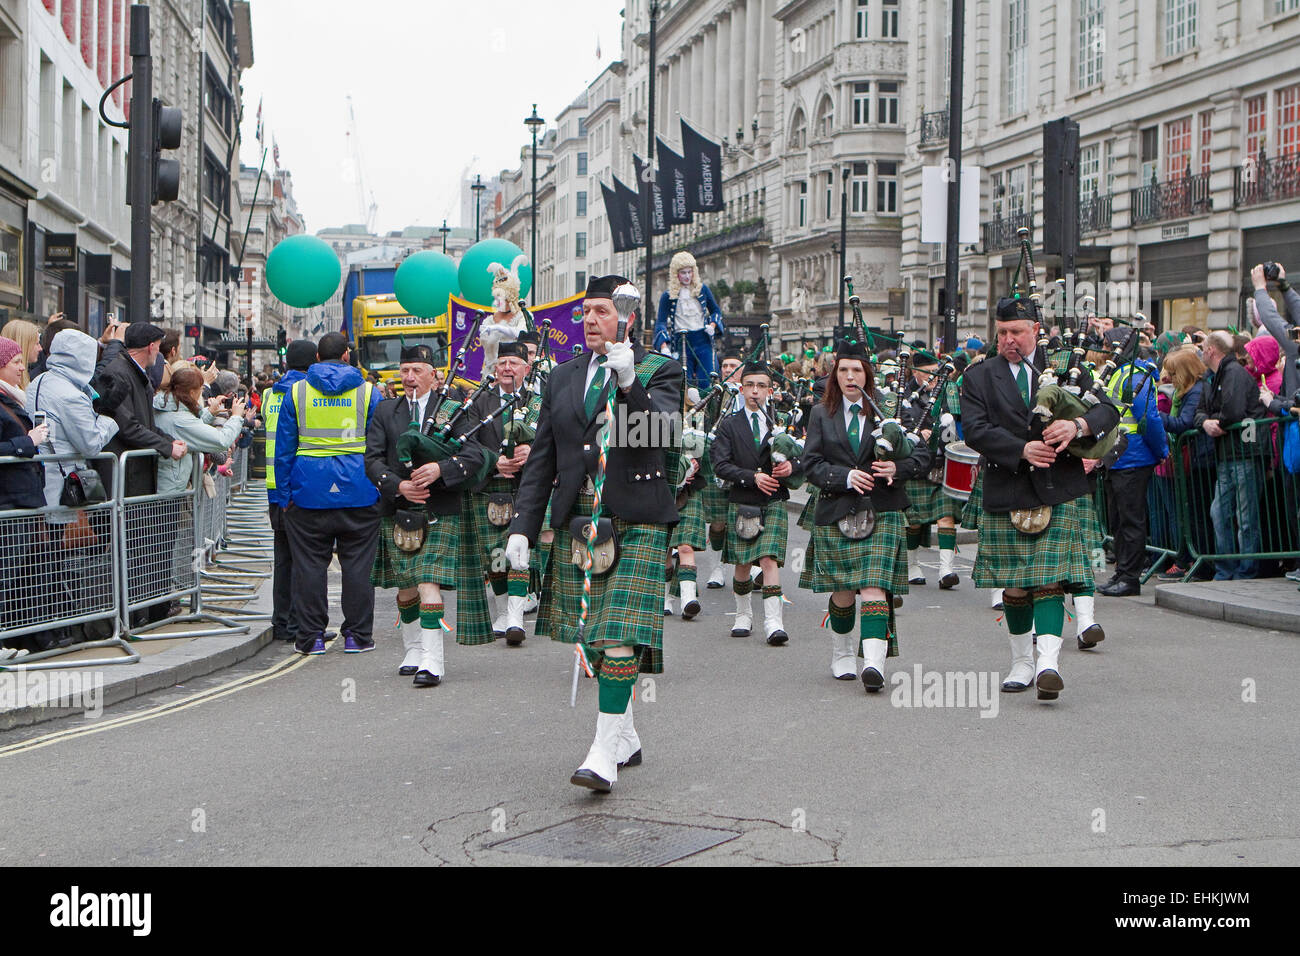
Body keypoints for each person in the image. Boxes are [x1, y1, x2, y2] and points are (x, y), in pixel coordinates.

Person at [504, 275, 684, 794]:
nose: (589, 320)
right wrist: (523, 525)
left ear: (627, 319)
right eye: (586, 312)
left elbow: (662, 436)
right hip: (580, 516)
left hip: (639, 515)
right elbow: (542, 458)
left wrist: (630, 387)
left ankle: (602, 751)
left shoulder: (659, 370)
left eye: (602, 311)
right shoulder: (562, 376)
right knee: (595, 642)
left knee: (618, 634)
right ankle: (624, 734)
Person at [962, 296, 1119, 701]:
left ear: (1035, 330)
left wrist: (1077, 425)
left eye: (1016, 332)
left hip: (1057, 485)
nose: (1008, 340)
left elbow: (1108, 412)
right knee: (1014, 585)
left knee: (1049, 581)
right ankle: (1021, 662)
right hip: (1008, 484)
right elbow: (975, 430)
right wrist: (1021, 450)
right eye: (1001, 333)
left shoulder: (1065, 368)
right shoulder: (980, 376)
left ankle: (1048, 662)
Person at [801, 338, 932, 687]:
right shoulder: (820, 414)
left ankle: (873, 664)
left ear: (867, 374)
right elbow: (810, 464)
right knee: (843, 590)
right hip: (837, 507)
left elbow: (922, 456)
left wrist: (896, 470)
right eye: (843, 369)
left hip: (882, 507)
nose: (849, 376)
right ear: (835, 375)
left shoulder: (891, 409)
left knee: (874, 586)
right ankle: (842, 652)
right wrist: (844, 476)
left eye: (856, 369)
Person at [368, 344, 488, 686]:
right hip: (399, 507)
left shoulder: (454, 409)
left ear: (434, 376)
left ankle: (433, 661)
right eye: (404, 371)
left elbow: (475, 454)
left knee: (426, 580)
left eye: (416, 370)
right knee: (406, 587)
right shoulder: (385, 411)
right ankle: (413, 649)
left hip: (440, 508)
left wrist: (440, 469)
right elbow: (372, 459)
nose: (408, 378)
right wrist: (398, 486)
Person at [274, 332, 383, 655]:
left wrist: (285, 497)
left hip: (309, 492)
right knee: (358, 567)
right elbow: (379, 445)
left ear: (317, 359)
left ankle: (311, 638)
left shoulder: (297, 392)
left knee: (308, 567)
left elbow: (283, 450)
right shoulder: (368, 392)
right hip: (359, 490)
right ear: (347, 356)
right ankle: (357, 636)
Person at [710, 361, 802, 645]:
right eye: (750, 385)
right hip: (743, 498)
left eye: (761, 386)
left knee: (768, 559)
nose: (755, 392)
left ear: (770, 391)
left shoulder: (782, 424)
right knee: (742, 562)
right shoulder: (729, 425)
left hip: (772, 500)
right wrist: (752, 477)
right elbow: (720, 465)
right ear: (741, 388)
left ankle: (774, 622)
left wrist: (791, 468)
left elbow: (804, 458)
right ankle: (743, 615)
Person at [457, 341, 542, 645]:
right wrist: (496, 461)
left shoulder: (537, 399)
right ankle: (505, 612)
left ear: (526, 368)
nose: (507, 368)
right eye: (502, 362)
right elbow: (467, 441)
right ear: (495, 369)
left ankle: (517, 617)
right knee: (494, 554)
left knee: (518, 552)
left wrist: (533, 450)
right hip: (491, 485)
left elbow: (554, 434)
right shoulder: (480, 401)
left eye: (514, 363)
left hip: (527, 486)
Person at [152, 367, 248, 596]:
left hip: (171, 482)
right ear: (192, 392)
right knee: (168, 546)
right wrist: (236, 417)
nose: (202, 398)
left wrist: (208, 413)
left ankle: (171, 592)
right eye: (200, 392)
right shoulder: (179, 417)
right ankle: (172, 593)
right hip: (172, 486)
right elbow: (219, 440)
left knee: (165, 545)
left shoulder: (165, 405)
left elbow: (188, 428)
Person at [1097, 328, 1168, 597]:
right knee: (1119, 520)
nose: (1104, 349)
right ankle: (1122, 572)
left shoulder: (1135, 375)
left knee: (1131, 521)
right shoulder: (1119, 373)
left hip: (1132, 457)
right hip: (1117, 457)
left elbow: (1148, 418)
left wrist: (1160, 450)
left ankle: (1130, 578)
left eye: (1107, 344)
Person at [1194, 330, 1268, 580]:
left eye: (1203, 347)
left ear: (1211, 351)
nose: (1201, 351)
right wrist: (1206, 423)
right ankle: (1226, 568)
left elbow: (1233, 411)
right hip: (1227, 454)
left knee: (1246, 517)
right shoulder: (1212, 378)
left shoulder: (1234, 373)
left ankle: (1246, 570)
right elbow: (1200, 411)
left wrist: (1215, 423)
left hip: (1245, 453)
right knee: (1219, 512)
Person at [261, 340, 315, 643]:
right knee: (305, 559)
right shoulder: (306, 393)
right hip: (300, 486)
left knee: (283, 558)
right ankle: (298, 624)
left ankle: (281, 621)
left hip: (273, 487)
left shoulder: (270, 393)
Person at [900, 350, 963, 589]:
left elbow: (958, 420)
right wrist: (917, 433)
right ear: (915, 372)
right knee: (914, 521)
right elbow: (898, 424)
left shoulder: (947, 391)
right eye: (928, 373)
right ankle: (912, 565)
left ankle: (946, 570)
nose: (933, 377)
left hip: (940, 464)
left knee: (946, 517)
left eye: (935, 372)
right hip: (916, 464)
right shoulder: (904, 395)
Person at [1155, 347, 1215, 581]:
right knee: (1193, 514)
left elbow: (1184, 423)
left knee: (1199, 515)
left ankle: (1202, 563)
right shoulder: (1187, 391)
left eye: (1172, 372)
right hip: (1191, 459)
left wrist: (1155, 415)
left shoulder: (1196, 390)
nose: (1168, 377)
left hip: (1200, 458)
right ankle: (1194, 560)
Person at [654, 251, 726, 391]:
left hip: (702, 339)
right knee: (683, 381)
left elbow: (716, 310)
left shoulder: (703, 289)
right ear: (676, 274)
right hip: (681, 340)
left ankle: (706, 409)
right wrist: (663, 346)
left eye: (689, 272)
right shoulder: (668, 295)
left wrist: (712, 325)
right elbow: (661, 322)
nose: (687, 276)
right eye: (683, 273)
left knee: (707, 378)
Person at [479, 265, 534, 370]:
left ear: (510, 298)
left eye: (500, 298)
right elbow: (487, 347)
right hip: (493, 372)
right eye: (495, 298)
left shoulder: (523, 316)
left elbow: (522, 334)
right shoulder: (489, 321)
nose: (496, 302)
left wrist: (499, 328)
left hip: (515, 370)